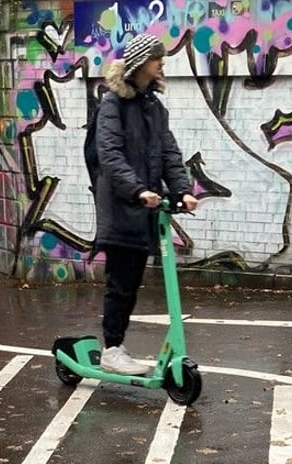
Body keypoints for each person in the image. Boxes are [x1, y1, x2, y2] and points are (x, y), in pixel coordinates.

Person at [93, 33, 199, 375]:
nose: (161, 64)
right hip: (122, 208)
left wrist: (182, 190)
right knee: (121, 282)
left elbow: (169, 152)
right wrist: (138, 189)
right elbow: (109, 155)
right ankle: (111, 348)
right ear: (140, 62)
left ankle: (116, 345)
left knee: (132, 279)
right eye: (157, 58)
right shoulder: (113, 105)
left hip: (145, 208)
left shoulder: (154, 107)